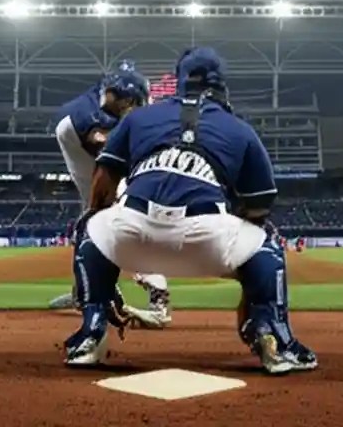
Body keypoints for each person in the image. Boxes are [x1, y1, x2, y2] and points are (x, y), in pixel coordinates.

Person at [62, 47, 317, 374]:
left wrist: (101, 267)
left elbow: (103, 183)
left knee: (92, 226)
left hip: (132, 235)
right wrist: (249, 299)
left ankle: (91, 331)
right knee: (266, 243)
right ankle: (275, 337)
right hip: (206, 237)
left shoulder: (139, 117)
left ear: (178, 82)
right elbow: (258, 209)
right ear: (222, 85)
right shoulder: (239, 129)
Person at [46, 62, 172, 329]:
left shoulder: (105, 104)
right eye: (134, 102)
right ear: (124, 97)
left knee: (125, 220)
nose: (136, 108)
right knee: (96, 223)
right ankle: (84, 290)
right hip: (83, 152)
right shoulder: (88, 112)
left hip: (85, 155)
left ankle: (157, 298)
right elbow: (103, 141)